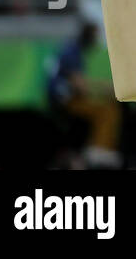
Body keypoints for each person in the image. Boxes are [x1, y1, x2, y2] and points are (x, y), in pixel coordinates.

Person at [47, 20, 123, 168]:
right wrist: (107, 89)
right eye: (95, 36)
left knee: (106, 106)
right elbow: (80, 85)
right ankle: (100, 150)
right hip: (62, 100)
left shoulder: (74, 49)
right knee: (107, 110)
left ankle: (98, 148)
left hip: (67, 97)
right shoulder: (72, 50)